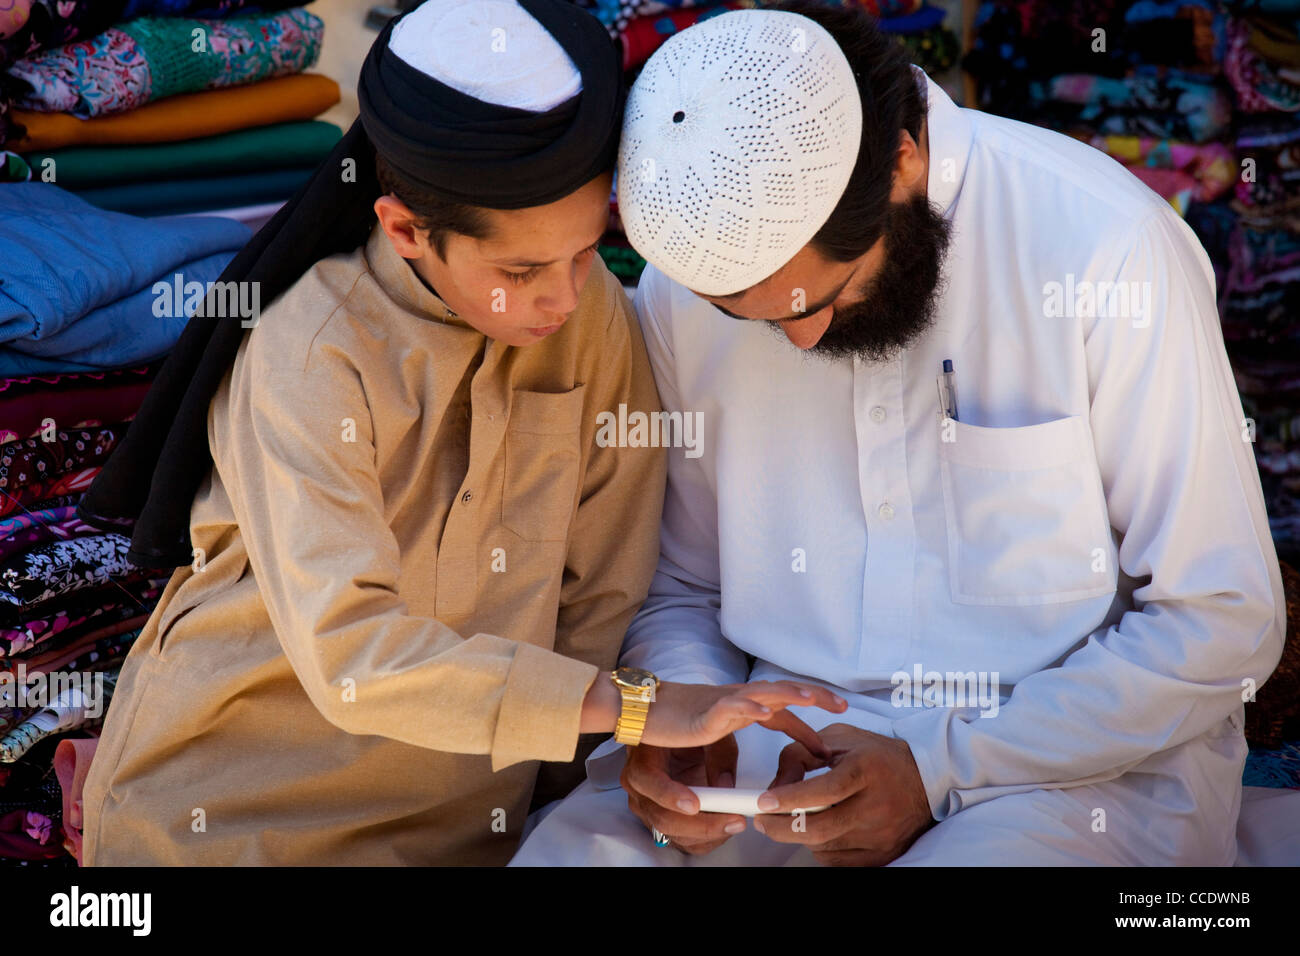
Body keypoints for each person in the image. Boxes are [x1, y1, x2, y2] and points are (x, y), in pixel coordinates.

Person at [510, 1, 1286, 866]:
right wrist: (686, 717)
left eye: (821, 301)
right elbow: (685, 585)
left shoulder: (1106, 250)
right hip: (781, 744)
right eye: (759, 321)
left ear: (902, 164)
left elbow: (1220, 617)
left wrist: (937, 768)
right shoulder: (677, 292)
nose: (800, 340)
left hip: (1066, 770)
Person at [76, 0, 843, 866]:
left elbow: (601, 594)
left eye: (589, 250)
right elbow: (354, 652)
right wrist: (633, 707)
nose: (563, 296)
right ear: (404, 229)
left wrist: (628, 777)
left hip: (472, 830)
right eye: (521, 270)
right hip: (231, 821)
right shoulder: (311, 353)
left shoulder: (589, 319)